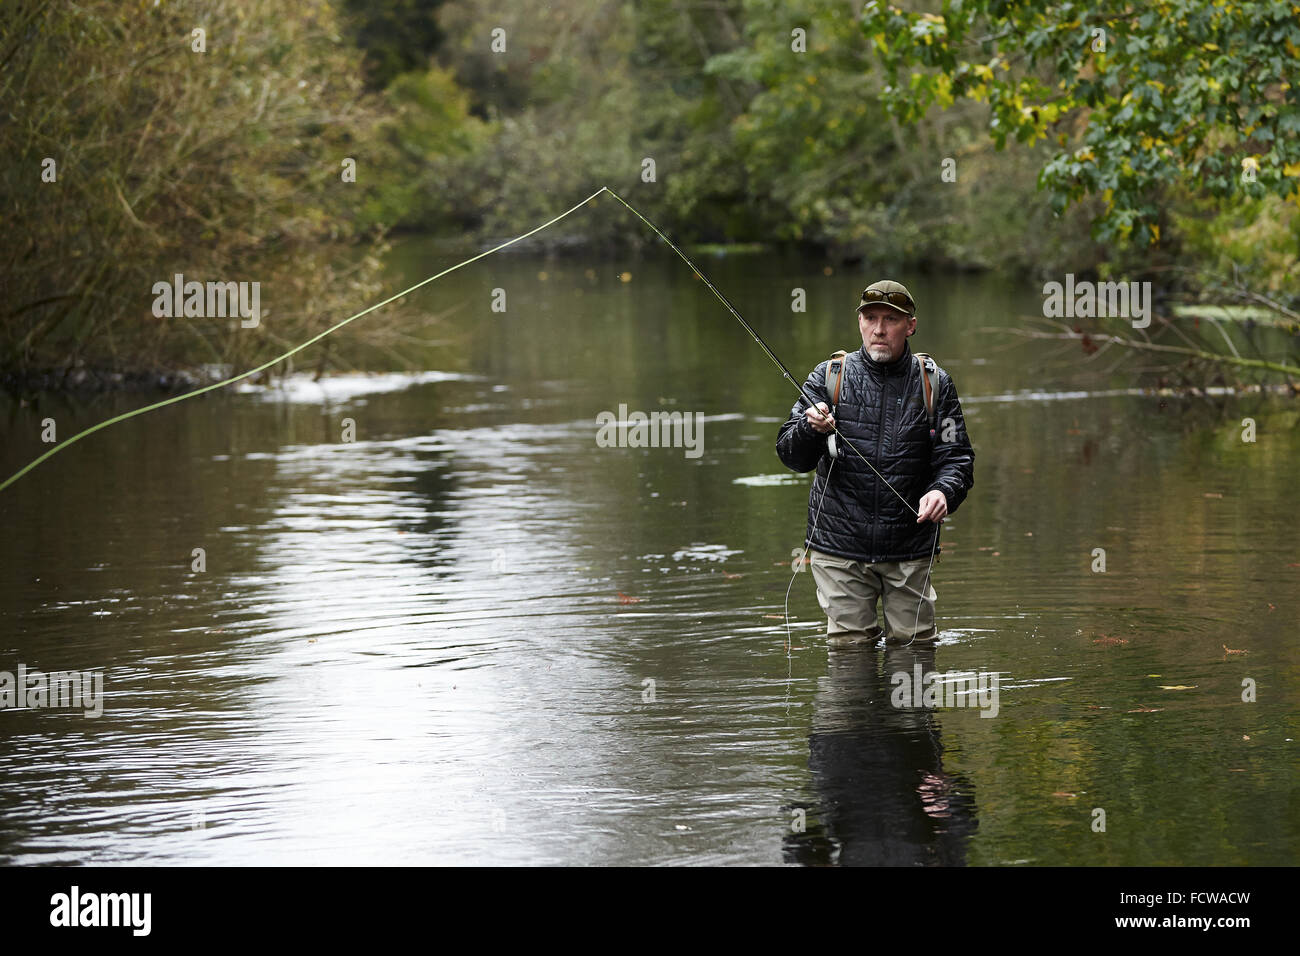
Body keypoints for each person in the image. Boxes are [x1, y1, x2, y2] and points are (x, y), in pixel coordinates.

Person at [776, 279, 975, 647]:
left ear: (910, 325)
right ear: (860, 323)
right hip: (839, 548)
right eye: (870, 318)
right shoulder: (828, 378)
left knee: (914, 656)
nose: (879, 329)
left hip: (909, 548)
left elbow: (957, 459)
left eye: (890, 319)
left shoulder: (935, 384)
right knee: (850, 660)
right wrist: (810, 427)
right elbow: (791, 455)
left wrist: (942, 492)